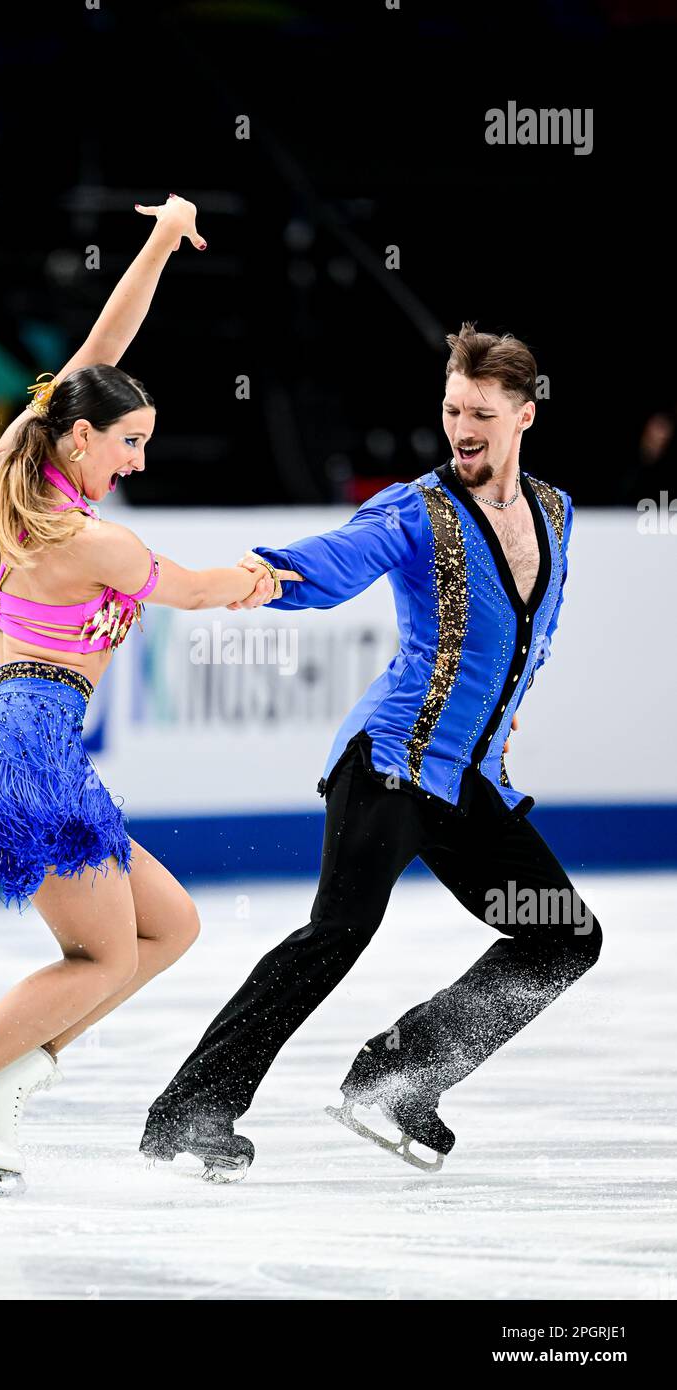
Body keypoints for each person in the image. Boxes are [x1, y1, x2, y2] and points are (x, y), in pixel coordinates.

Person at [0, 195, 293, 1194]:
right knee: (104, 956)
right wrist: (264, 576)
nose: (137, 459)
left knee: (171, 925)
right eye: (128, 442)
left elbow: (101, 347)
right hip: (24, 744)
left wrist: (157, 240)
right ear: (78, 442)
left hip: (35, 740)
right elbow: (191, 591)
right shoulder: (87, 539)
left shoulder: (37, 456)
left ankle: (12, 1072)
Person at [141, 322, 603, 1179]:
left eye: (481, 412)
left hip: (469, 783)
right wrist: (260, 578)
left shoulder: (556, 512)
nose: (462, 426)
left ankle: (400, 1076)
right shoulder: (416, 511)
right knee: (339, 930)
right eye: (452, 408)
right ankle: (191, 1110)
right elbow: (339, 560)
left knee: (562, 936)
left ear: (524, 416)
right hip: (392, 762)